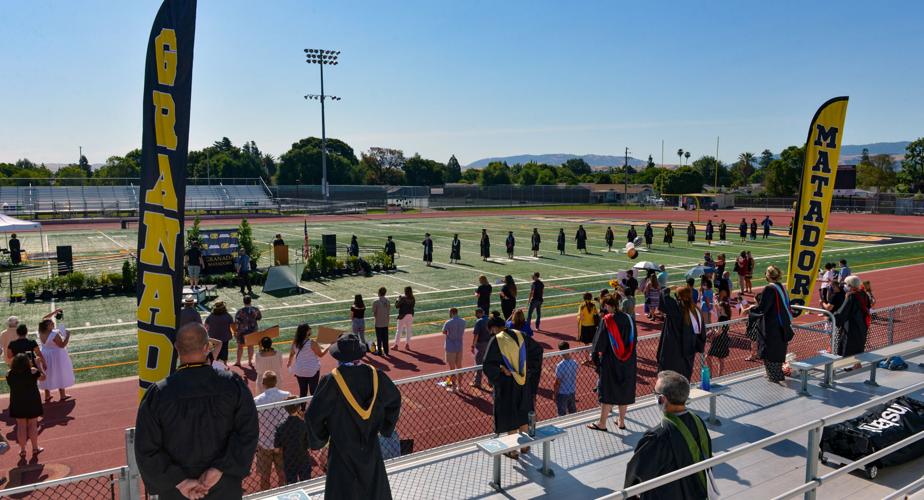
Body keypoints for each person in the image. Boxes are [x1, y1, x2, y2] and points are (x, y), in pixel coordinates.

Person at [135, 323, 258, 500]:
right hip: (223, 487)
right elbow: (248, 432)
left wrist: (181, 481)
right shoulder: (233, 384)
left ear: (177, 348)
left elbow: (146, 448)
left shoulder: (158, 394)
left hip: (176, 493)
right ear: (207, 347)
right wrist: (219, 469)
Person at [306, 333, 402, 499]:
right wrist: (385, 428)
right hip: (371, 446)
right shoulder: (376, 376)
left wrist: (322, 439)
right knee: (373, 489)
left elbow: (313, 416)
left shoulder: (331, 381)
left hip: (342, 449)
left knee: (344, 491)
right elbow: (394, 401)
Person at [624, 370, 716, 499]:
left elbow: (636, 475)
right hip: (697, 492)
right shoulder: (698, 421)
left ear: (662, 399)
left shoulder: (657, 437)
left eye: (655, 393)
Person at [482, 313, 543, 459]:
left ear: (494, 328)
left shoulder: (497, 340)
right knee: (523, 414)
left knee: (511, 417)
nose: (491, 333)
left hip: (507, 384)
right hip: (523, 382)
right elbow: (538, 351)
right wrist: (528, 370)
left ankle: (513, 450)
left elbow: (488, 364)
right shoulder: (520, 335)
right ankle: (526, 446)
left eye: (491, 331)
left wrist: (501, 371)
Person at [588, 296, 637, 431]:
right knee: (624, 390)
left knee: (607, 391)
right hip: (628, 361)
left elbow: (599, 344)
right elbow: (634, 340)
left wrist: (596, 363)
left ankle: (602, 423)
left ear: (608, 306)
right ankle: (621, 421)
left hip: (611, 361)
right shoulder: (630, 319)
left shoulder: (607, 321)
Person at [745, 265, 793, 383]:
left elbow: (763, 308)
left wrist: (751, 310)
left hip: (772, 328)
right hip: (781, 327)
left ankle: (774, 379)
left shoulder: (769, 289)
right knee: (777, 354)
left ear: (768, 275)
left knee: (770, 354)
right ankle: (776, 376)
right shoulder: (781, 287)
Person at [656, 285, 706, 380]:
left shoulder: (675, 308)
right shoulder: (696, 311)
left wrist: (669, 288)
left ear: (678, 297)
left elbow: (663, 295)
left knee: (669, 379)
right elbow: (701, 334)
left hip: (672, 352)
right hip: (687, 353)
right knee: (683, 379)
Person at [253, 371, 291, 491]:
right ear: (276, 382)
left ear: (263, 383)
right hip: (282, 442)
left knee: (265, 476)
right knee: (283, 474)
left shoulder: (256, 401)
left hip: (264, 442)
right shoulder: (286, 395)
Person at [7, 353, 45, 460]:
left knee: (21, 426)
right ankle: (35, 448)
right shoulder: (33, 371)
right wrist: (39, 365)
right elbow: (44, 378)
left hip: (17, 402)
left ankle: (23, 450)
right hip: (32, 401)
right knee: (33, 424)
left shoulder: (9, 373)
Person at [834, 275, 872, 368]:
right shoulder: (863, 294)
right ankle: (857, 364)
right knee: (858, 346)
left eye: (846, 284)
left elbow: (843, 311)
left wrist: (834, 316)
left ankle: (850, 367)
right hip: (862, 325)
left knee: (848, 347)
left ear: (850, 285)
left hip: (851, 326)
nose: (844, 286)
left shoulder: (851, 296)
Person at [274, 396, 311, 485]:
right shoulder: (304, 424)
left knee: (291, 484)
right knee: (306, 483)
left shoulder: (280, 427)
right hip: (303, 458)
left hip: (289, 459)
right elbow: (309, 445)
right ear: (298, 408)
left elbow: (277, 449)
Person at [38, 314, 74, 403]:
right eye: (51, 323)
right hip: (56, 355)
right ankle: (62, 395)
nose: (53, 324)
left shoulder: (40, 332)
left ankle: (47, 395)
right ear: (47, 326)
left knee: (47, 373)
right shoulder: (54, 334)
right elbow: (62, 345)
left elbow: (44, 318)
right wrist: (68, 336)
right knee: (59, 372)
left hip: (45, 354)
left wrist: (55, 312)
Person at [288, 323, 327, 397]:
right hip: (312, 370)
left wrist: (289, 364)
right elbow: (321, 354)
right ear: (306, 331)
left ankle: (302, 408)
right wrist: (329, 346)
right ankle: (314, 407)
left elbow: (291, 354)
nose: (311, 330)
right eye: (310, 329)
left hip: (299, 370)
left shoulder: (295, 343)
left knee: (302, 392)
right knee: (313, 391)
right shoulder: (312, 343)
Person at [707, 290, 731, 377]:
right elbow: (716, 305)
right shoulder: (725, 316)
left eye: (719, 307)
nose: (717, 308)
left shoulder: (722, 318)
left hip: (719, 339)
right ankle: (719, 376)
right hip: (724, 339)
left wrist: (711, 333)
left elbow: (719, 332)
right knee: (720, 359)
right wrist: (714, 299)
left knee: (709, 357)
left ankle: (711, 375)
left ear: (722, 308)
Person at [442, 308, 466, 391]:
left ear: (452, 313)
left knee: (452, 368)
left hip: (450, 347)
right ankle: (460, 386)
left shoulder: (448, 322)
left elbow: (444, 332)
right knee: (459, 367)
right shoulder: (463, 321)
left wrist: (449, 333)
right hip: (459, 346)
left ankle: (454, 387)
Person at [235, 295, 262, 367]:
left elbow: (236, 321)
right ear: (250, 301)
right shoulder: (255, 309)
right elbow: (259, 318)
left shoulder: (240, 311)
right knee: (250, 346)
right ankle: (250, 362)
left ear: (243, 301)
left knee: (240, 347)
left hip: (242, 331)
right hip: (252, 330)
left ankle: (238, 362)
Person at [205, 300, 234, 367]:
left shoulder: (210, 316)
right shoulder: (228, 316)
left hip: (213, 339)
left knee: (214, 355)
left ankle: (213, 366)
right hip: (225, 338)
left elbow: (205, 327)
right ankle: (224, 367)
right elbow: (233, 327)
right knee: (224, 354)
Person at [553, 341, 578, 416]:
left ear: (560, 351)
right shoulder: (574, 362)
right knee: (573, 412)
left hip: (562, 393)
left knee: (561, 413)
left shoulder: (560, 366)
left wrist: (555, 394)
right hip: (572, 391)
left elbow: (557, 382)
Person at [470, 308, 492, 389]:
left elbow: (476, 335)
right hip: (489, 344)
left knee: (478, 363)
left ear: (479, 313)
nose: (475, 316)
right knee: (488, 362)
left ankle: (477, 382)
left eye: (476, 314)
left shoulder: (479, 321)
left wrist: (473, 345)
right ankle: (491, 381)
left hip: (481, 344)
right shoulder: (489, 319)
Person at [372, 287, 391, 356]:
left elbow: (374, 313)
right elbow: (388, 311)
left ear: (379, 293)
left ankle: (380, 351)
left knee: (379, 338)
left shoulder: (375, 302)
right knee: (385, 338)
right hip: (385, 322)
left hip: (378, 323)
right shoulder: (388, 301)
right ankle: (386, 351)